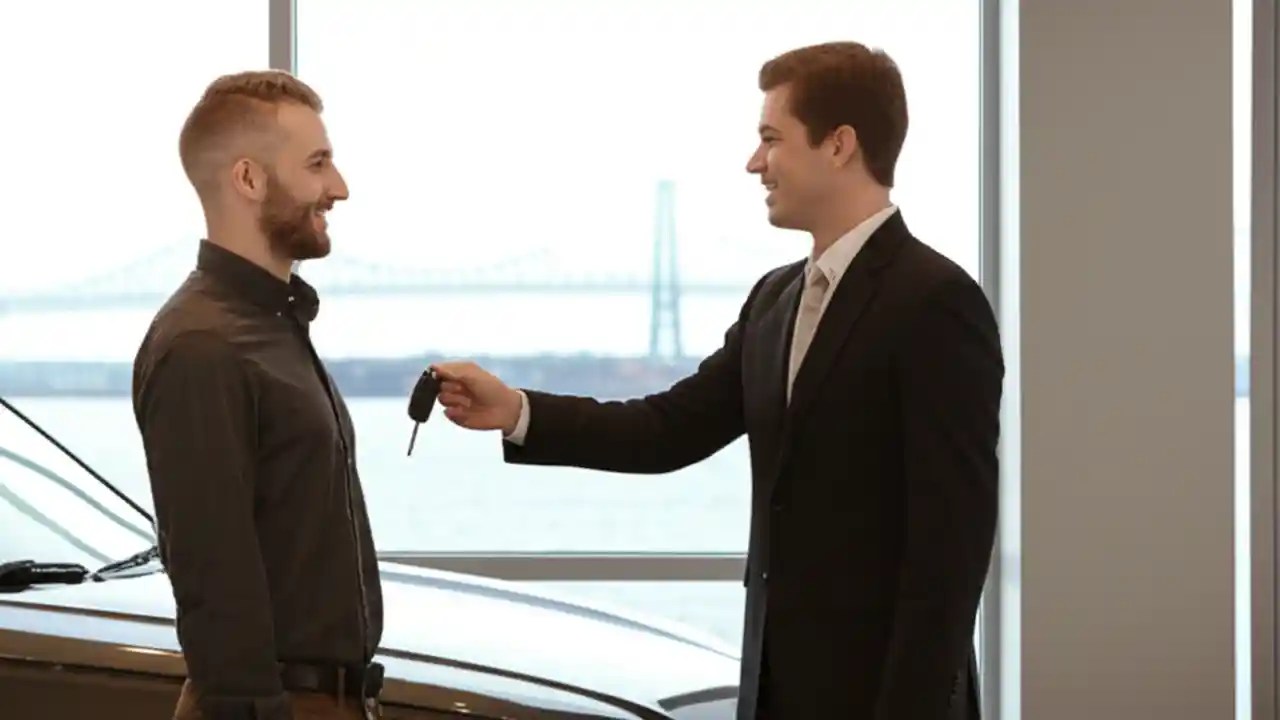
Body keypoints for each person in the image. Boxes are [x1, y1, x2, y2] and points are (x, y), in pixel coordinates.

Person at [431, 41, 1002, 720]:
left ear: (840, 144)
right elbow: (667, 430)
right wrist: (519, 410)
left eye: (771, 138)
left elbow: (951, 550)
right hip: (775, 691)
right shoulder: (774, 299)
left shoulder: (937, 301)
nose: (754, 162)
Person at [132, 70, 384, 720]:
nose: (340, 188)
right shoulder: (202, 346)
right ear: (249, 179)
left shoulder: (273, 325)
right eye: (318, 164)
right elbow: (214, 583)